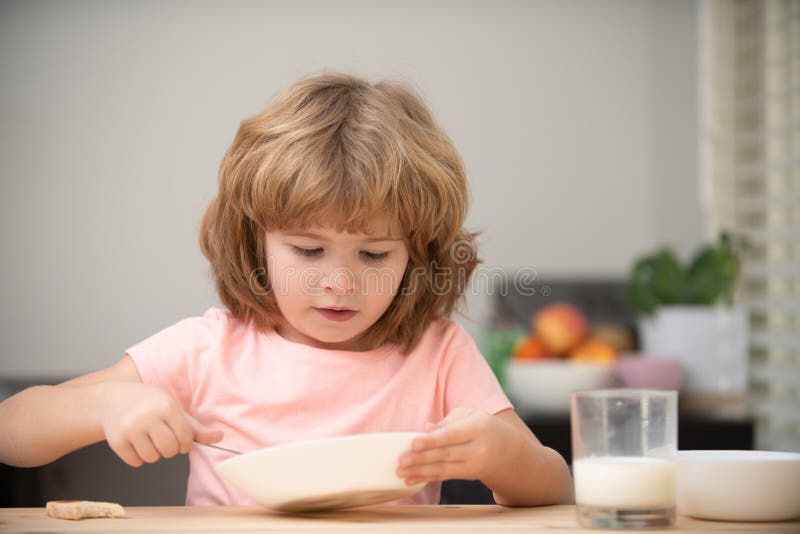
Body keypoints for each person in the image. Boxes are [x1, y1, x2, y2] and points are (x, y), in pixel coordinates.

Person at [0, 71, 573, 507]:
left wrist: (501, 457)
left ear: (417, 256)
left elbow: (556, 488)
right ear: (257, 243)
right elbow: (12, 433)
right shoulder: (208, 350)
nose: (338, 282)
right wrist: (106, 404)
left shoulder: (438, 354)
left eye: (374, 254)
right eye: (307, 250)